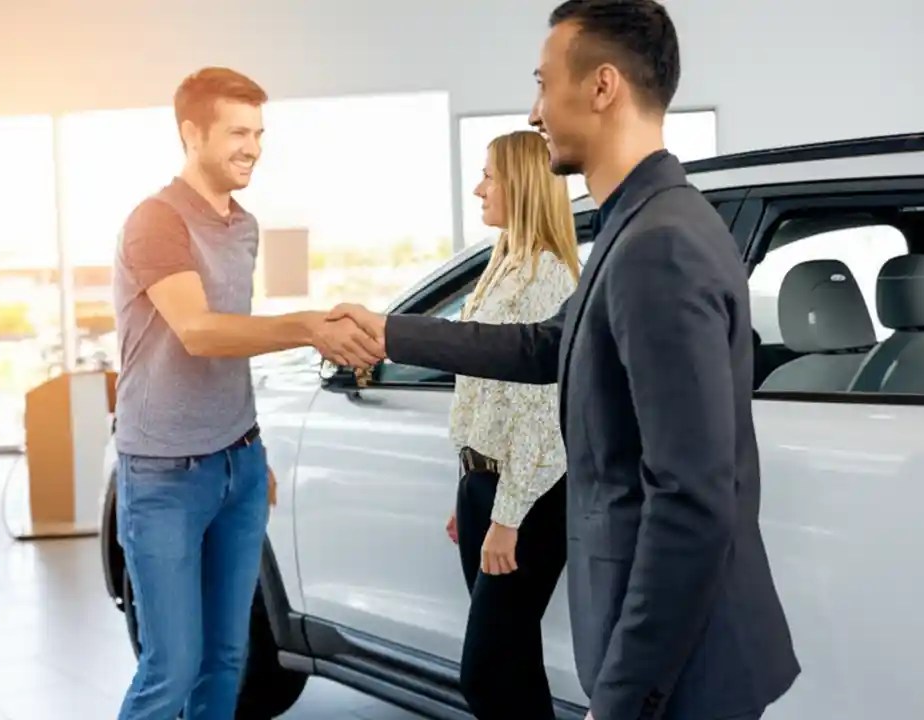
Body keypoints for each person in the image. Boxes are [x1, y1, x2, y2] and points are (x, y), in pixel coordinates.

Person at [329, 2, 800, 719]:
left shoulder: (658, 246)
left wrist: (621, 699)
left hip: (680, 675)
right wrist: (390, 334)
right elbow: (547, 344)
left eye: (544, 84)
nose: (536, 109)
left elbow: (693, 498)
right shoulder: (639, 225)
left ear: (602, 86)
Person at [111, 66, 382, 720]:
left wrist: (252, 449)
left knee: (226, 661)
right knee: (170, 669)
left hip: (236, 465)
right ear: (191, 133)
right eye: (237, 131)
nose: (253, 147)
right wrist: (309, 328)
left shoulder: (245, 225)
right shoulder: (156, 220)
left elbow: (232, 351)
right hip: (164, 476)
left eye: (259, 133)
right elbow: (200, 333)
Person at [447, 130, 579, 719]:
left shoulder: (550, 277)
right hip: (487, 486)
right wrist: (469, 485)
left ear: (523, 185)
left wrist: (506, 516)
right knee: (515, 666)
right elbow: (483, 390)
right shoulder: (505, 267)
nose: (479, 188)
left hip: (526, 500)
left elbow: (543, 415)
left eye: (490, 176)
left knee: (487, 676)